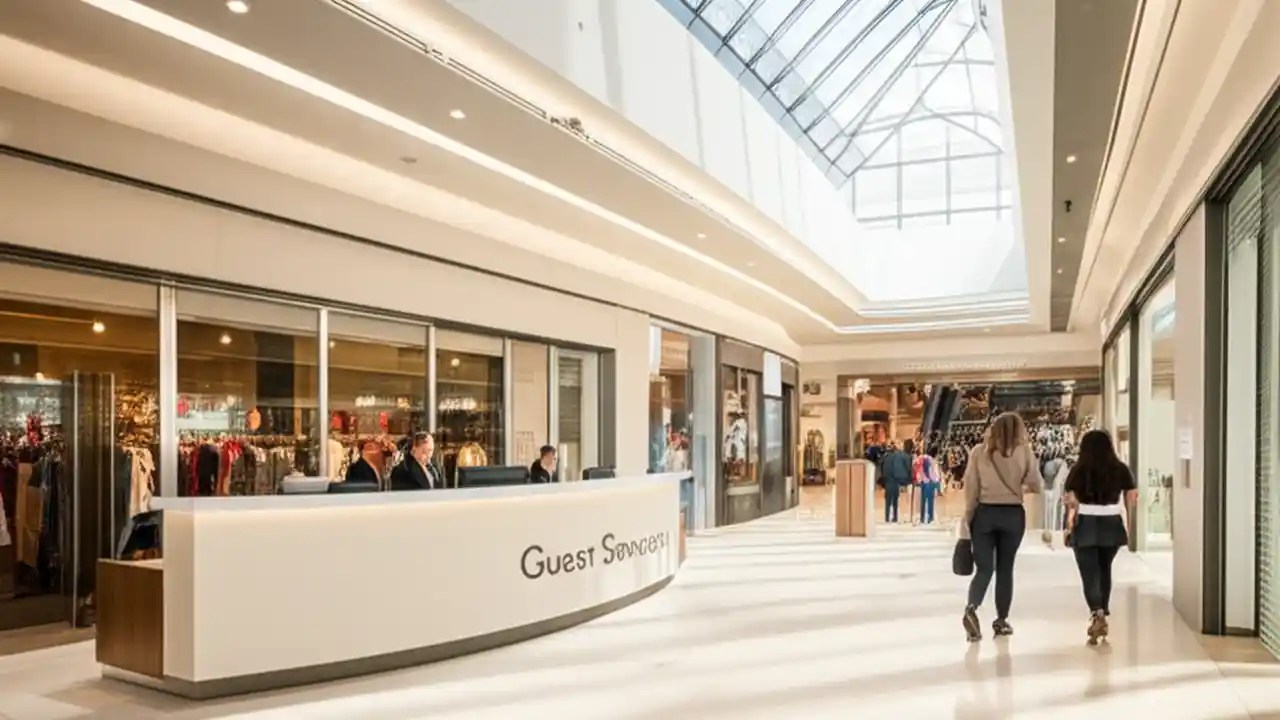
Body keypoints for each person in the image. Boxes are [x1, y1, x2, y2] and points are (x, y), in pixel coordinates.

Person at [960, 412, 1045, 642]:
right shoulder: (1025, 452)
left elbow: (971, 488)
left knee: (985, 568)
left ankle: (971, 609)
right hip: (1012, 514)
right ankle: (1001, 621)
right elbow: (1036, 484)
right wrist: (1017, 488)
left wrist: (967, 518)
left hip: (985, 514)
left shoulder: (979, 452)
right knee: (1005, 569)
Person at [1063, 429, 1137, 645]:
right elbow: (1131, 497)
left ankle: (1097, 613)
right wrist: (1129, 526)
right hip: (1111, 523)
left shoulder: (1078, 470)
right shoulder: (1120, 468)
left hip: (1086, 522)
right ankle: (1103, 609)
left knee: (1089, 572)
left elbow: (1070, 502)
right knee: (1105, 569)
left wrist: (1068, 527)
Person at [880, 441, 912, 523]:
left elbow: (881, 467)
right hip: (896, 480)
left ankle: (887, 518)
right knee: (895, 500)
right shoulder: (901, 455)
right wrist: (908, 478)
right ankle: (895, 517)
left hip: (888, 480)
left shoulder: (886, 456)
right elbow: (907, 462)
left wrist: (882, 480)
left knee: (888, 500)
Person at [914, 445, 942, 524]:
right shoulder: (931, 460)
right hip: (929, 482)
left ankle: (922, 518)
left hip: (922, 482)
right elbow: (932, 472)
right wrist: (936, 480)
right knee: (930, 501)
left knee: (923, 500)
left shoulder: (921, 458)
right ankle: (930, 518)